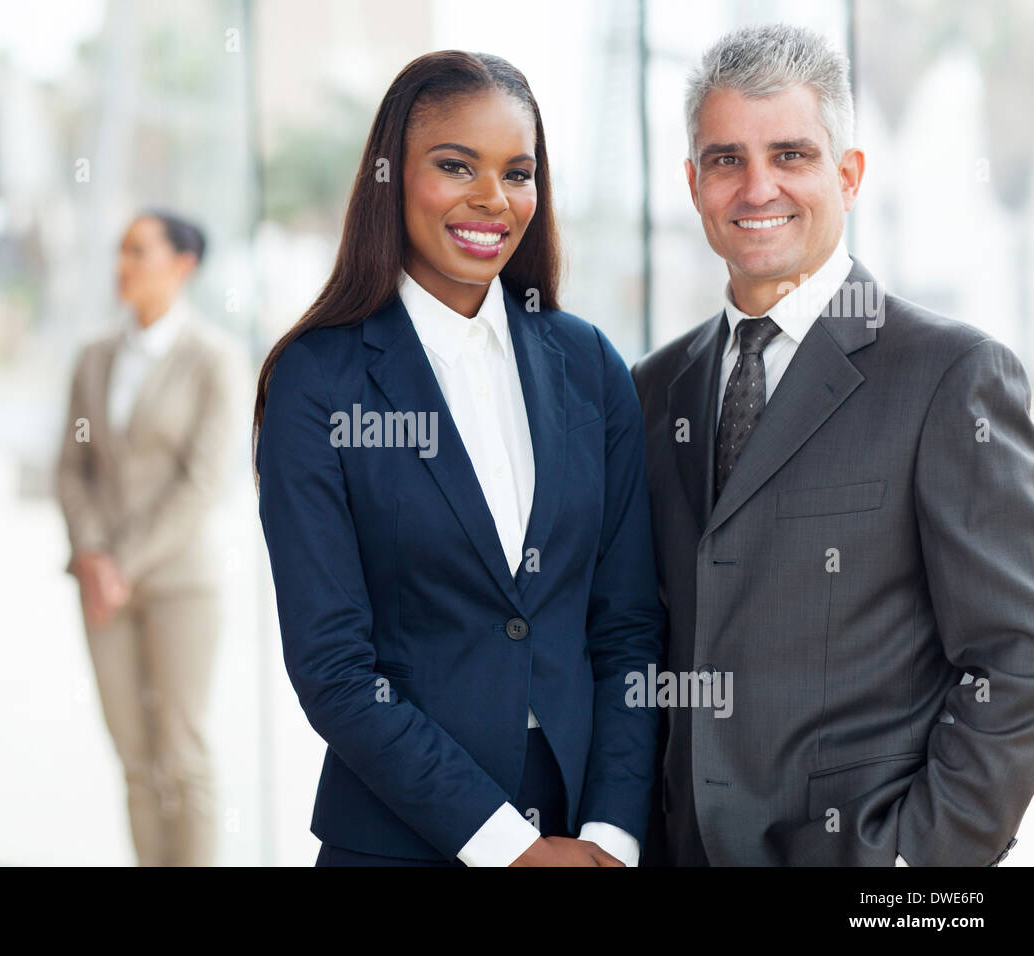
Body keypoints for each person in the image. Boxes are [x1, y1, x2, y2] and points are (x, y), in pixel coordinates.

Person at [631, 23, 1034, 865]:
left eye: (791, 155)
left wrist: (915, 868)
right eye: (725, 159)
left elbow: (1014, 658)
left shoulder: (951, 375)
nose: (757, 187)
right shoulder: (652, 389)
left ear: (847, 175)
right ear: (694, 182)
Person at [254, 51, 664, 867]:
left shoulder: (589, 366)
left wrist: (612, 834)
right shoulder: (318, 380)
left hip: (583, 825)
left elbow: (628, 630)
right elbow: (334, 667)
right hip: (401, 835)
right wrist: (509, 847)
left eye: (518, 172)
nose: (491, 199)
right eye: (454, 166)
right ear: (392, 178)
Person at [56, 209, 247, 866]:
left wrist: (124, 563)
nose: (122, 265)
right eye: (119, 251)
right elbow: (71, 468)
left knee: (182, 756)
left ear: (182, 265)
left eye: (138, 251)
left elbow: (202, 483)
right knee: (134, 760)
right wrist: (93, 555)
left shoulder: (214, 359)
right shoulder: (94, 358)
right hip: (102, 585)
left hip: (179, 585)